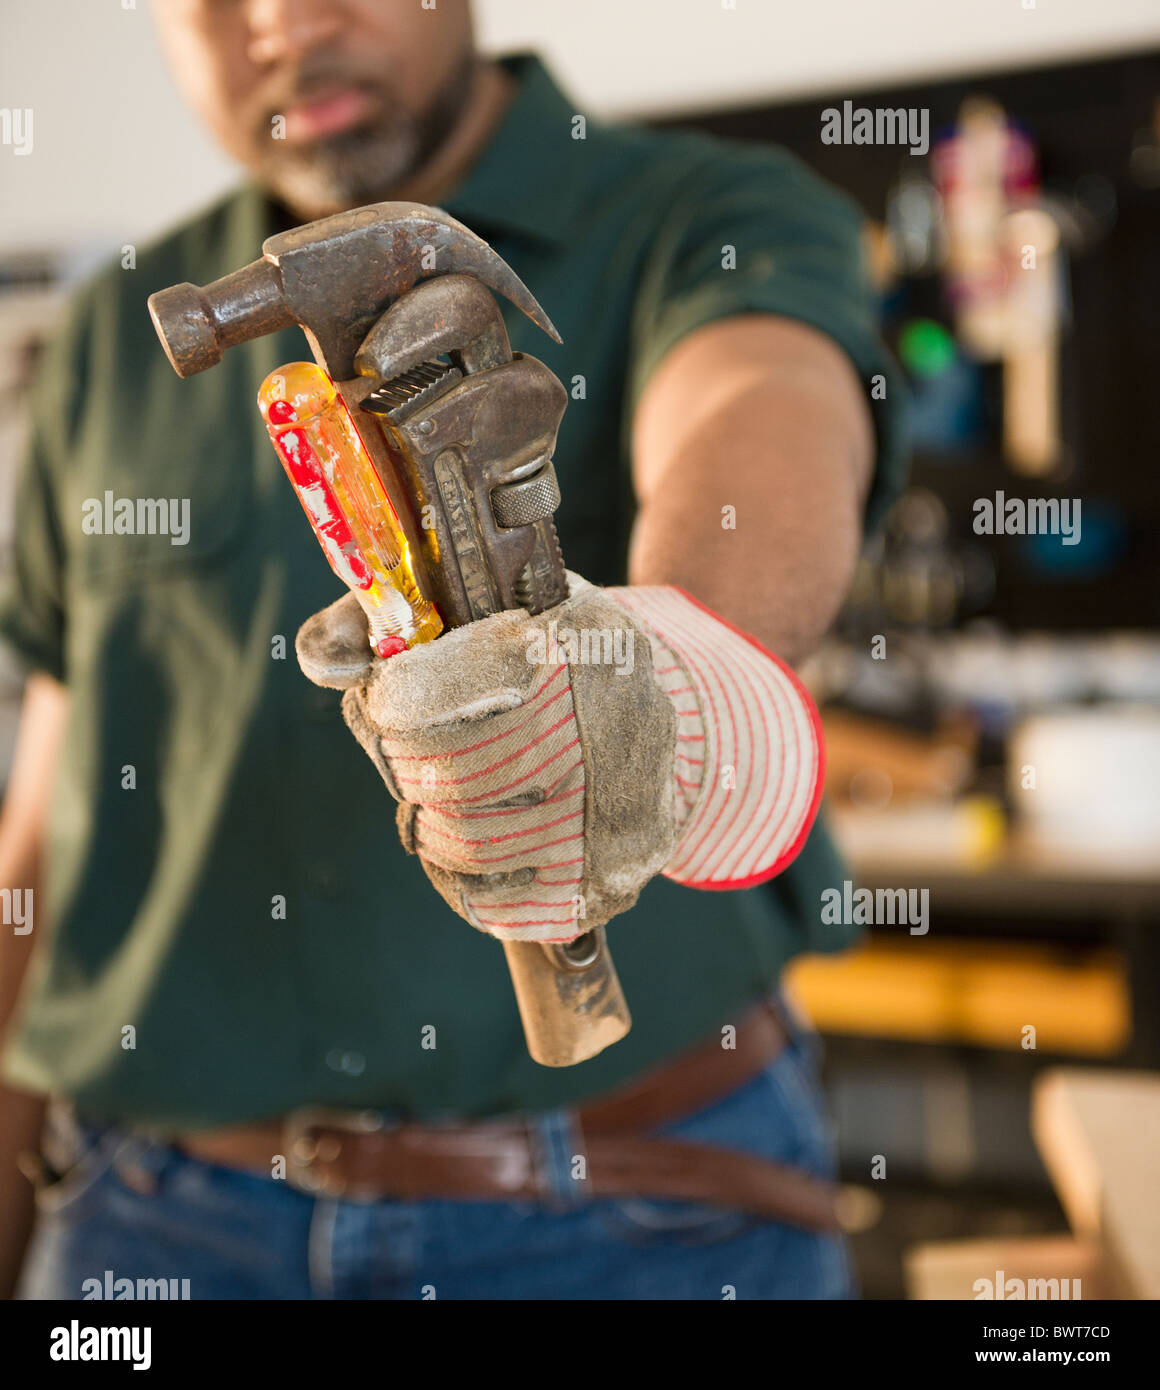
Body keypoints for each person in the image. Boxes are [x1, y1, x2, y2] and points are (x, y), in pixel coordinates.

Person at [0, 0, 906, 1300]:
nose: (280, 21)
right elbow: (40, 832)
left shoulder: (703, 210)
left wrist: (669, 668)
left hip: (634, 1211)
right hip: (153, 1225)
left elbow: (760, 410)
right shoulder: (104, 340)